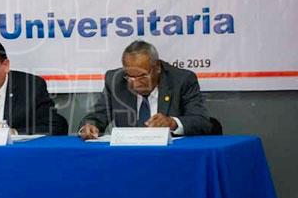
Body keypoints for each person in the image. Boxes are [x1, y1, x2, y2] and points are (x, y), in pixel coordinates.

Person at [78, 40, 211, 139]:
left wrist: (173, 123)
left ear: (157, 67)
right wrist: (88, 127)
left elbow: (202, 122)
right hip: (129, 156)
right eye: (130, 77)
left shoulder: (182, 80)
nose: (136, 84)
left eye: (142, 76)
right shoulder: (116, 81)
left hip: (170, 155)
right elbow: (95, 117)